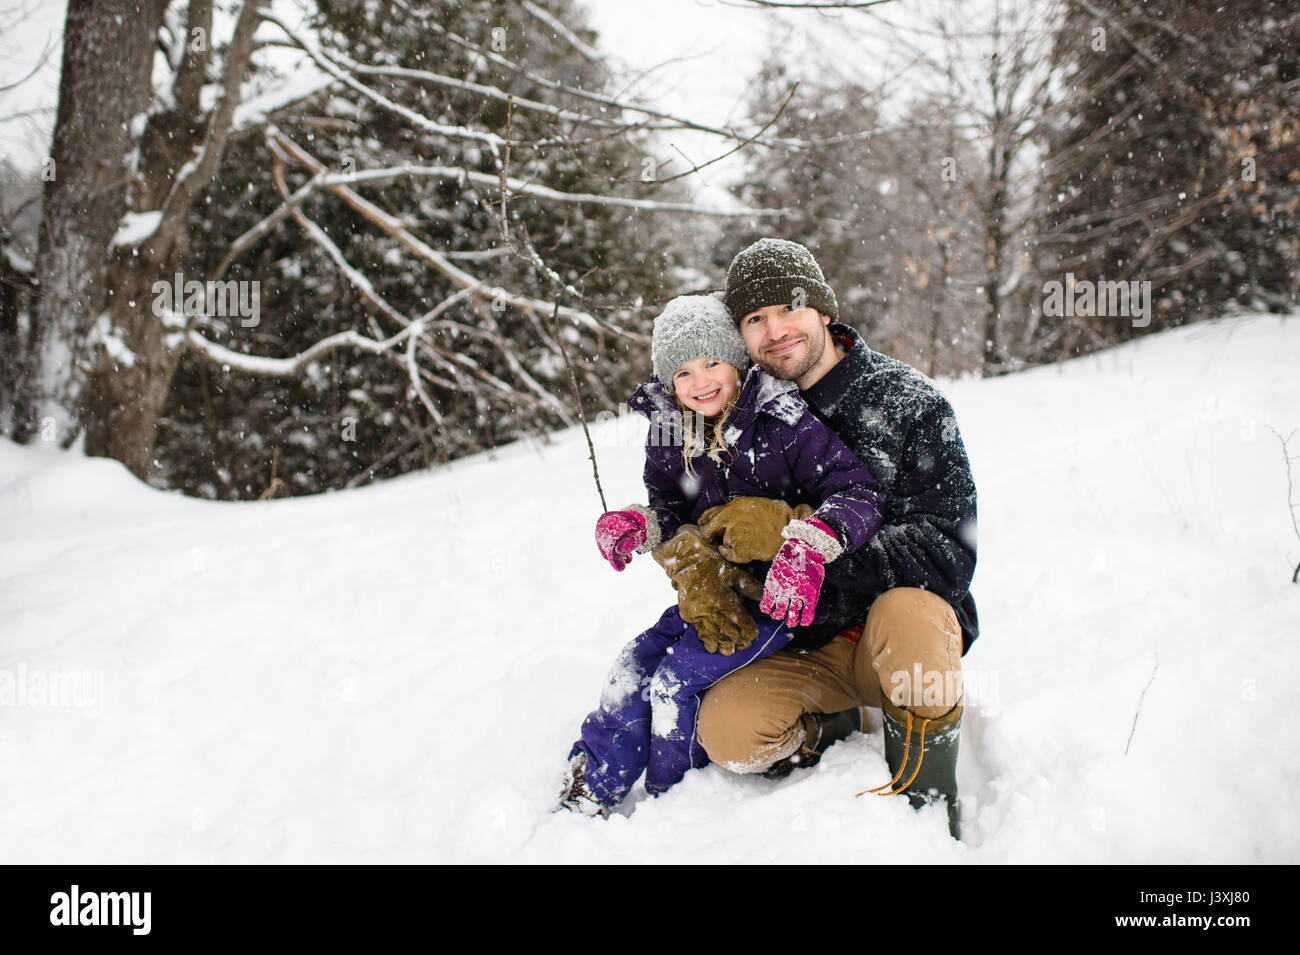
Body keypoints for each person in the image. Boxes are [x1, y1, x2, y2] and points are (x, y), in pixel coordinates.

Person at [685, 238, 980, 839]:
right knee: (728, 733)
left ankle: (926, 807)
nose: (775, 331)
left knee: (914, 610)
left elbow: (947, 554)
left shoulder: (908, 404)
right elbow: (697, 523)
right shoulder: (730, 419)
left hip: (890, 639)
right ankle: (837, 725)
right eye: (754, 319)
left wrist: (799, 536)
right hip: (799, 644)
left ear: (823, 310)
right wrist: (698, 573)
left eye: (789, 308)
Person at [557, 292, 886, 817]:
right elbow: (670, 507)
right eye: (683, 372)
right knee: (634, 664)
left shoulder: (783, 421)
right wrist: (640, 525)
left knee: (673, 684)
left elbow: (859, 491)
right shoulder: (669, 432)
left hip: (780, 600)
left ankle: (676, 800)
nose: (700, 381)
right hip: (714, 589)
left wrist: (807, 542)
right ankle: (593, 784)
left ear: (737, 360)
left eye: (713, 362)